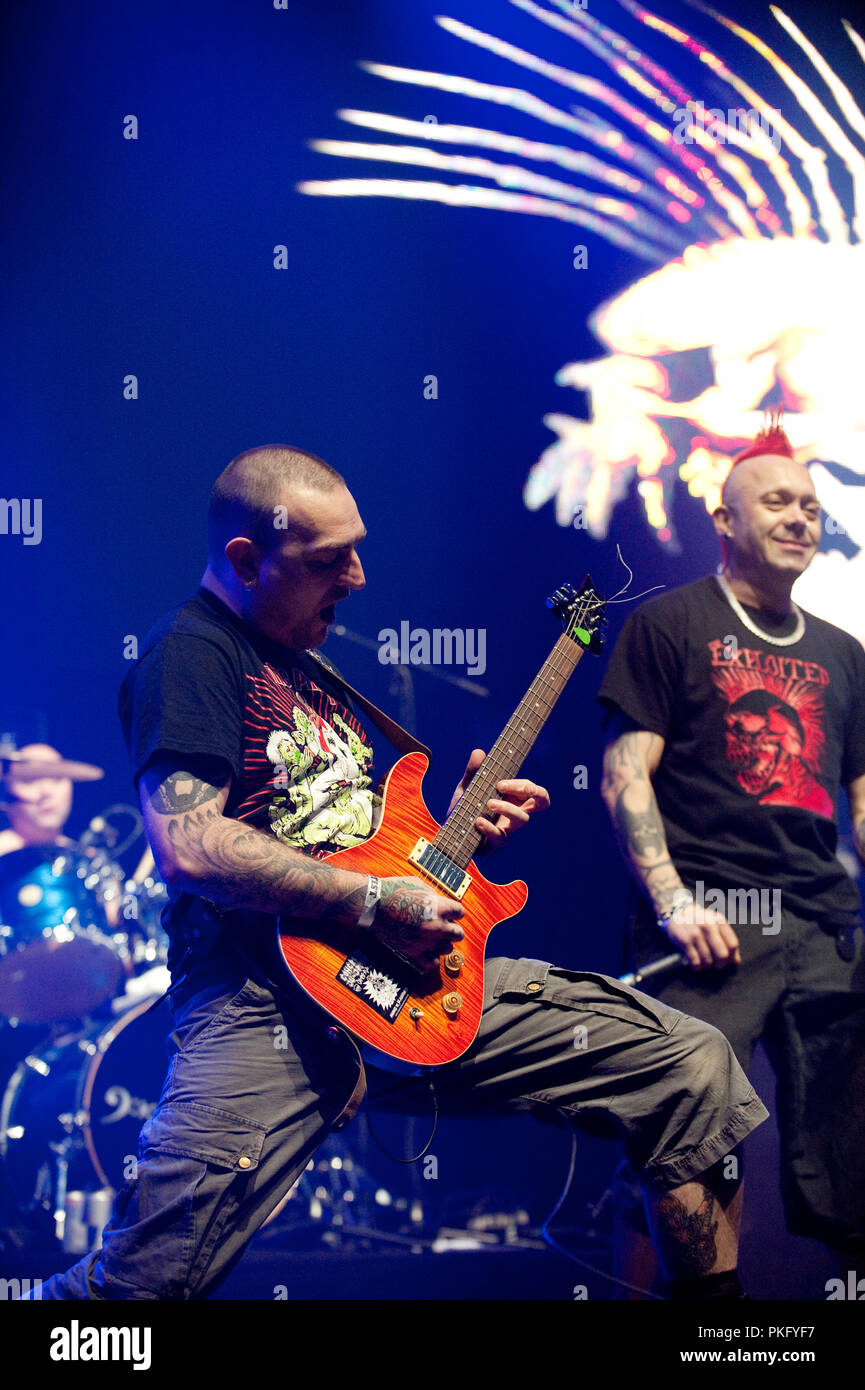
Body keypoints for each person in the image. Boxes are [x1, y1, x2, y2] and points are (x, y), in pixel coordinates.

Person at [30, 444, 767, 1300]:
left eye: (358, 546)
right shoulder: (192, 651)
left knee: (687, 1067)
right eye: (326, 559)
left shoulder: (316, 665)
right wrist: (376, 898)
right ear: (244, 559)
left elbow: (346, 835)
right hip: (265, 1002)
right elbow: (189, 844)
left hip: (410, 982)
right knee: (139, 1289)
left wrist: (448, 841)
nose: (358, 577)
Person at [599, 419, 865, 1293]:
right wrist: (672, 899)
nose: (799, 518)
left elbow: (861, 801)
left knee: (848, 1160)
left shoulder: (844, 654)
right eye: (777, 501)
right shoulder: (669, 624)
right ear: (724, 518)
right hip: (709, 919)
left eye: (810, 507)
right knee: (682, 1143)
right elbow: (623, 774)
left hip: (823, 928)